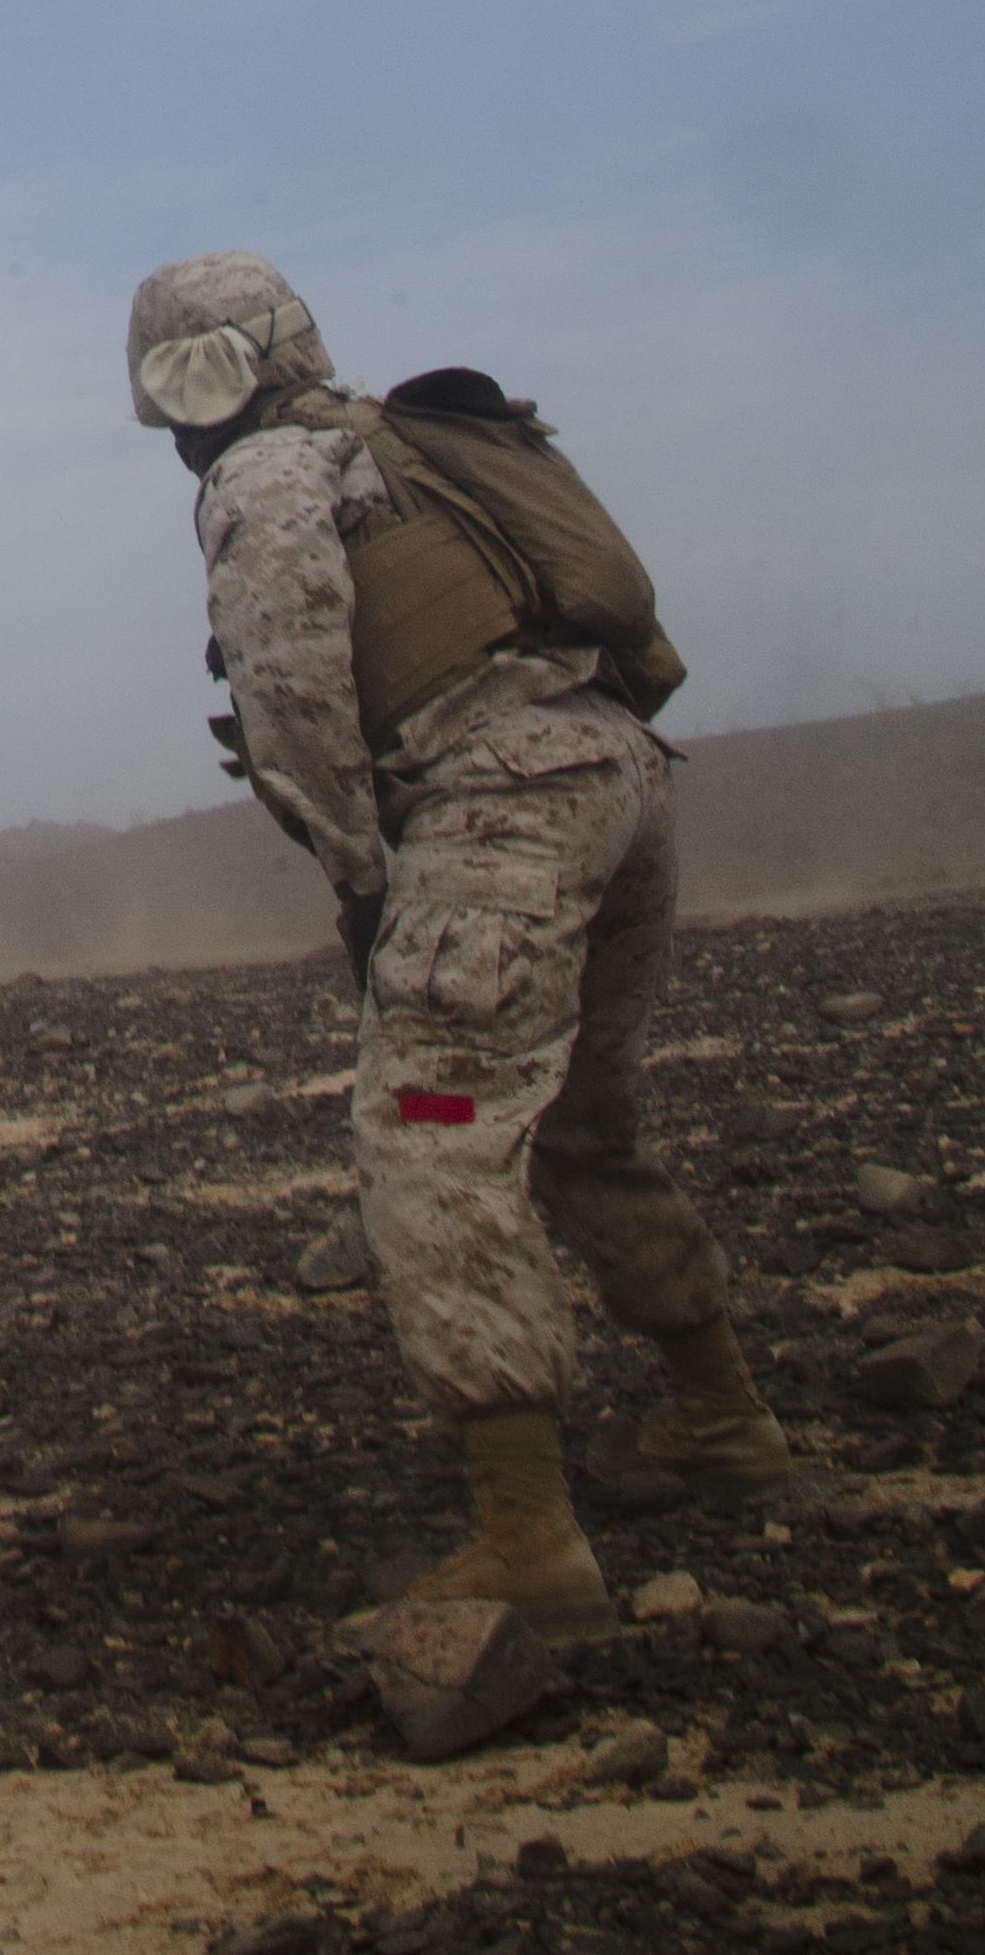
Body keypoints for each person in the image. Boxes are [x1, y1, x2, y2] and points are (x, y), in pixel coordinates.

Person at [125, 250, 787, 1637]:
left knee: (428, 1128)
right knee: (585, 1131)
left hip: (495, 814)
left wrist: (361, 884)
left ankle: (526, 1534)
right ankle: (718, 1413)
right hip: (615, 773)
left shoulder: (265, 481)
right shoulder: (404, 443)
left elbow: (292, 686)